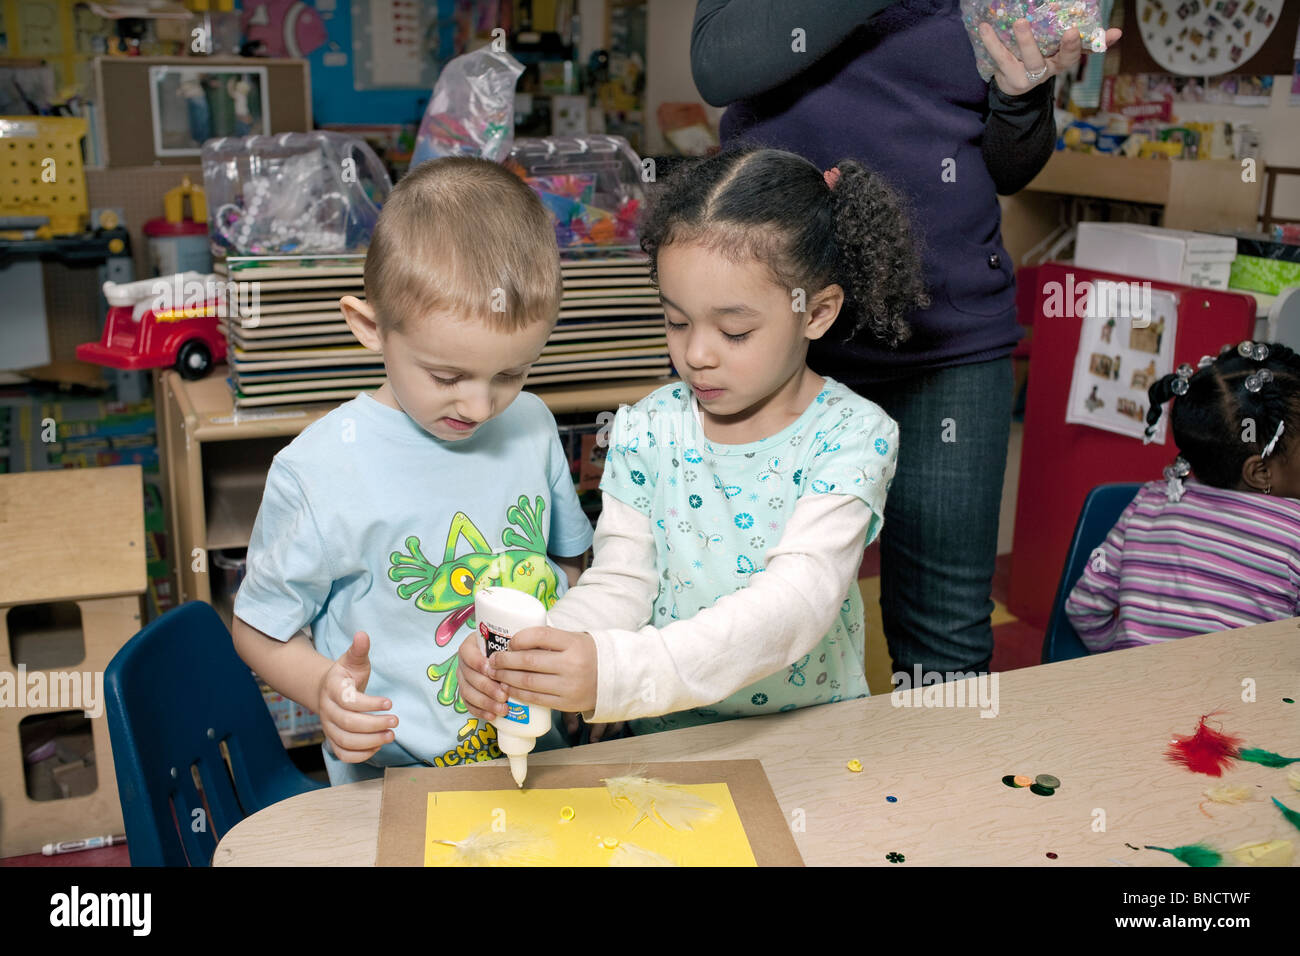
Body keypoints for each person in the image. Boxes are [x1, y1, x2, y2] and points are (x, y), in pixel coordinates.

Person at [690, 0, 1121, 679]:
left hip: (946, 336)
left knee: (944, 638)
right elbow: (719, 64)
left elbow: (1011, 165)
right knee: (742, 609)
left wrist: (1021, 94)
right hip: (773, 333)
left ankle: (940, 789)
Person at [456, 146, 928, 732]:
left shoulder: (852, 437)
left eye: (734, 331)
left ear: (817, 312)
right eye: (676, 321)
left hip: (810, 738)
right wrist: (541, 653)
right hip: (666, 732)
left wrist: (618, 673)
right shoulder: (648, 427)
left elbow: (795, 605)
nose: (695, 355)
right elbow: (623, 578)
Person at [231, 157, 594, 784]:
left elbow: (569, 566)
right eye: (447, 376)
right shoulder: (316, 471)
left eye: (510, 373)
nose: (480, 407)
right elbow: (256, 629)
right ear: (369, 327)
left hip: (542, 761)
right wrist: (324, 688)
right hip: (391, 781)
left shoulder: (532, 424)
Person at [1066, 342, 1300, 651]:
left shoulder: (1148, 504)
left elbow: (1084, 608)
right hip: (1246, 697)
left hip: (1138, 694)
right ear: (1260, 473)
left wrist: (1121, 664)